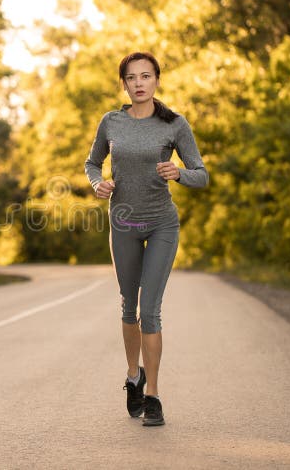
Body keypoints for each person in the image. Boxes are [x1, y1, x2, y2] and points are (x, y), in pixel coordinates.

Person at [84, 52, 208, 426]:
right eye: (132, 78)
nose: (139, 83)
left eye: (146, 76)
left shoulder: (175, 124)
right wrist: (97, 183)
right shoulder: (111, 122)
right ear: (123, 83)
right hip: (123, 224)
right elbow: (92, 163)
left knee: (150, 310)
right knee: (127, 306)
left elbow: (201, 174)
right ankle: (133, 375)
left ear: (156, 81)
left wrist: (179, 173)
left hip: (161, 225)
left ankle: (152, 395)